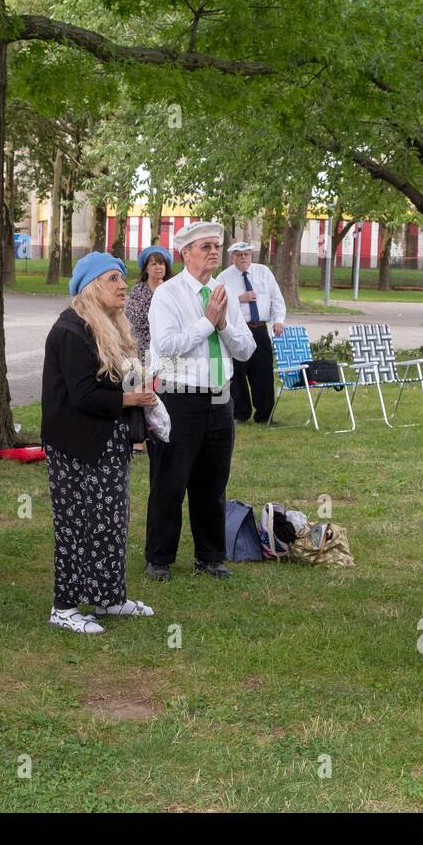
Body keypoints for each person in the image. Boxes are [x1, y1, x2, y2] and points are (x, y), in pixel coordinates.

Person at [41, 252, 158, 633]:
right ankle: (64, 606)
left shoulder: (106, 326)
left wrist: (139, 386)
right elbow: (82, 396)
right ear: (91, 287)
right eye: (113, 279)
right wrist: (130, 399)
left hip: (106, 441)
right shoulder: (71, 330)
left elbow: (108, 382)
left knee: (110, 522)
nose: (123, 285)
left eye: (123, 277)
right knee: (77, 524)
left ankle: (109, 597)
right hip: (75, 444)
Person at [144, 221, 255, 580]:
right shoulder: (168, 294)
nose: (213, 252)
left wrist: (223, 325)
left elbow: (247, 349)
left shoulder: (221, 292)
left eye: (216, 246)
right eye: (205, 246)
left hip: (221, 400)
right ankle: (159, 558)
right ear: (185, 253)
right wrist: (209, 322)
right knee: (170, 481)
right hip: (179, 397)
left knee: (212, 483)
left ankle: (210, 556)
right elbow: (168, 345)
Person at [218, 241, 286, 424]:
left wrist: (279, 320)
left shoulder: (263, 272)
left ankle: (265, 415)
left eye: (246, 254)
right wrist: (239, 298)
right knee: (238, 374)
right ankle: (240, 413)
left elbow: (276, 299)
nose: (243, 258)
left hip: (260, 328)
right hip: (238, 330)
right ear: (232, 257)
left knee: (263, 372)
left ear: (251, 255)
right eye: (239, 255)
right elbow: (217, 303)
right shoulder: (224, 277)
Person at [124, 244, 172, 359]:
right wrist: (157, 297)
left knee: (169, 376)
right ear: (146, 268)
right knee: (145, 377)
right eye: (153, 264)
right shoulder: (138, 290)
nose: (158, 267)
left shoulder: (172, 289)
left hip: (168, 348)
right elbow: (135, 318)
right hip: (143, 349)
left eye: (161, 263)